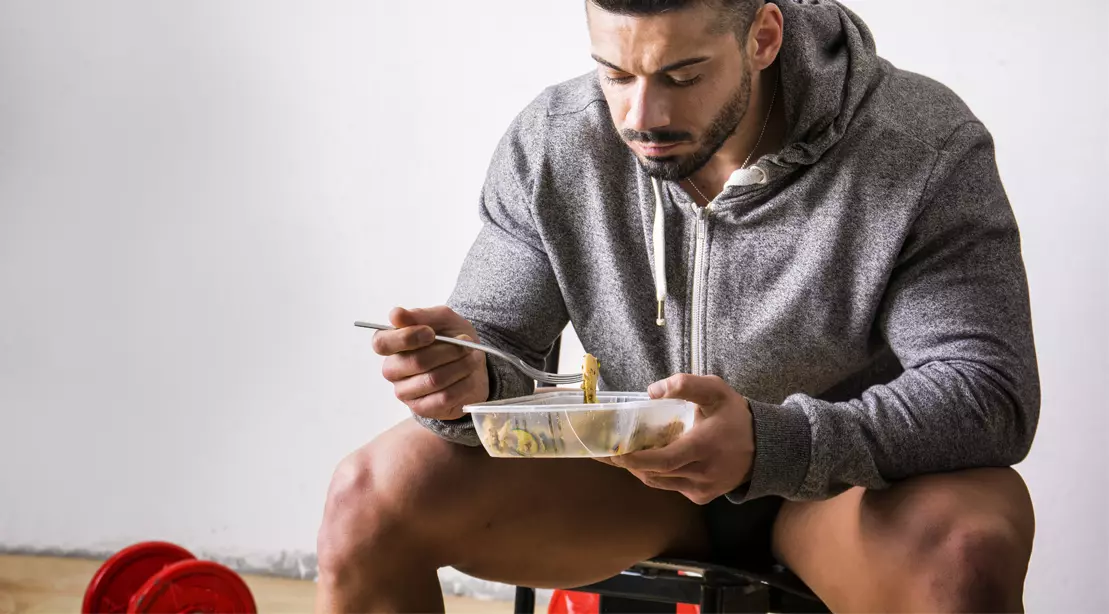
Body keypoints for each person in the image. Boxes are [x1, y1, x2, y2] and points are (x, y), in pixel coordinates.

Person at [316, 0, 1040, 611]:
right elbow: (499, 346)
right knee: (369, 495)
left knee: (967, 548)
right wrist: (466, 378)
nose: (641, 116)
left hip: (840, 491)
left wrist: (769, 444)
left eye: (681, 75)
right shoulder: (556, 138)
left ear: (762, 37)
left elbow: (987, 394)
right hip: (631, 482)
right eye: (615, 74)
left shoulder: (919, 143)